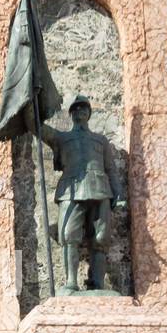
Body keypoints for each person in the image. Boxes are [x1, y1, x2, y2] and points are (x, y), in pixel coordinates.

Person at [38, 95, 126, 294]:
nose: (80, 112)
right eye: (76, 109)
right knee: (69, 235)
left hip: (100, 189)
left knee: (101, 238)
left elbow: (111, 169)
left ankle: (97, 283)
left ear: (89, 113)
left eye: (83, 109)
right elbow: (37, 127)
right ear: (71, 114)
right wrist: (29, 100)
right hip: (71, 189)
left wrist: (118, 194)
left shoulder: (101, 140)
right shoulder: (61, 138)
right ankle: (71, 282)